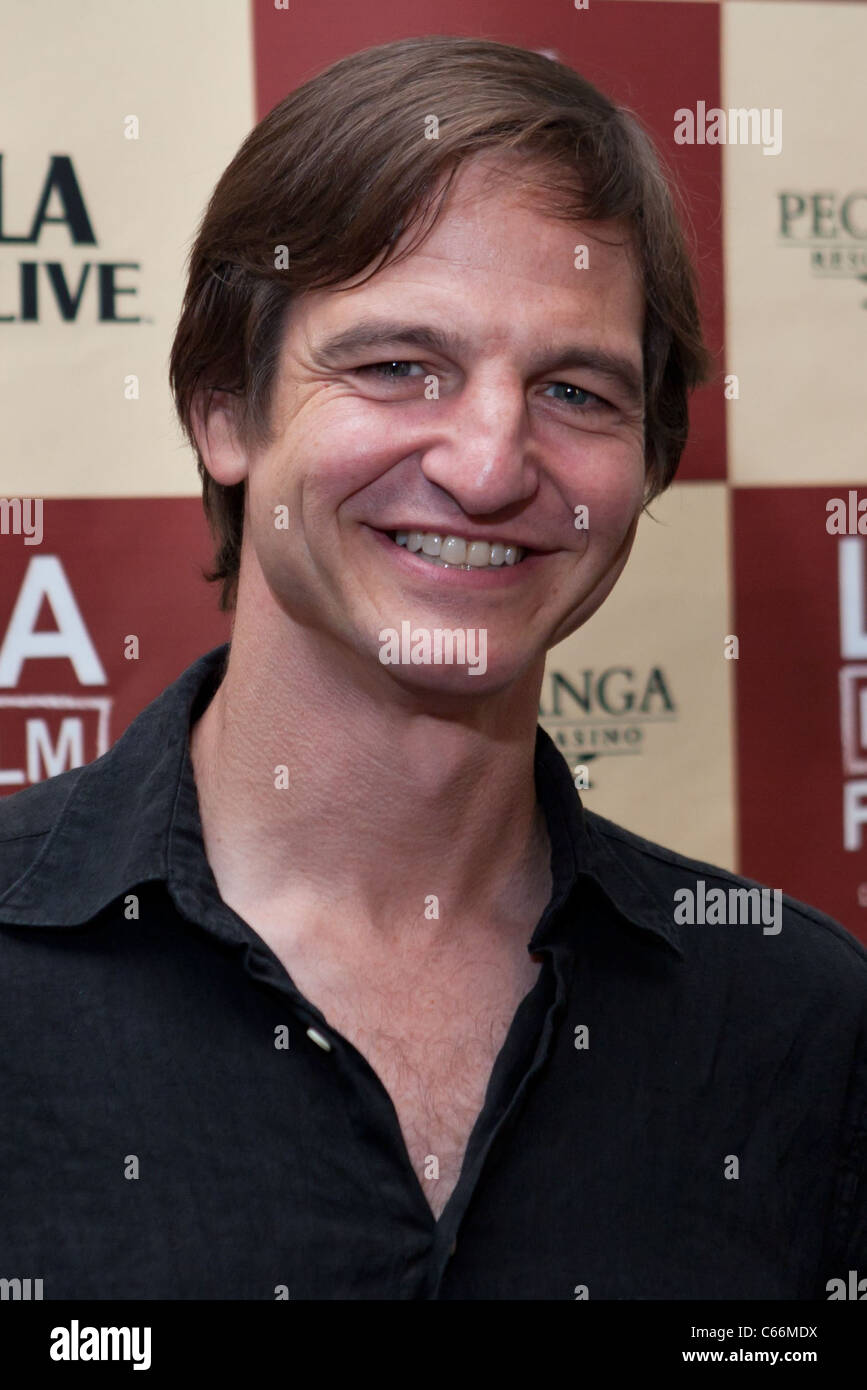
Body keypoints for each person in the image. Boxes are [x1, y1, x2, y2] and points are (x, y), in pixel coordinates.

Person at [0, 35, 864, 1302]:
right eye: (400, 365)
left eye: (577, 391)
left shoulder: (799, 1022)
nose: (488, 463)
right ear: (224, 409)